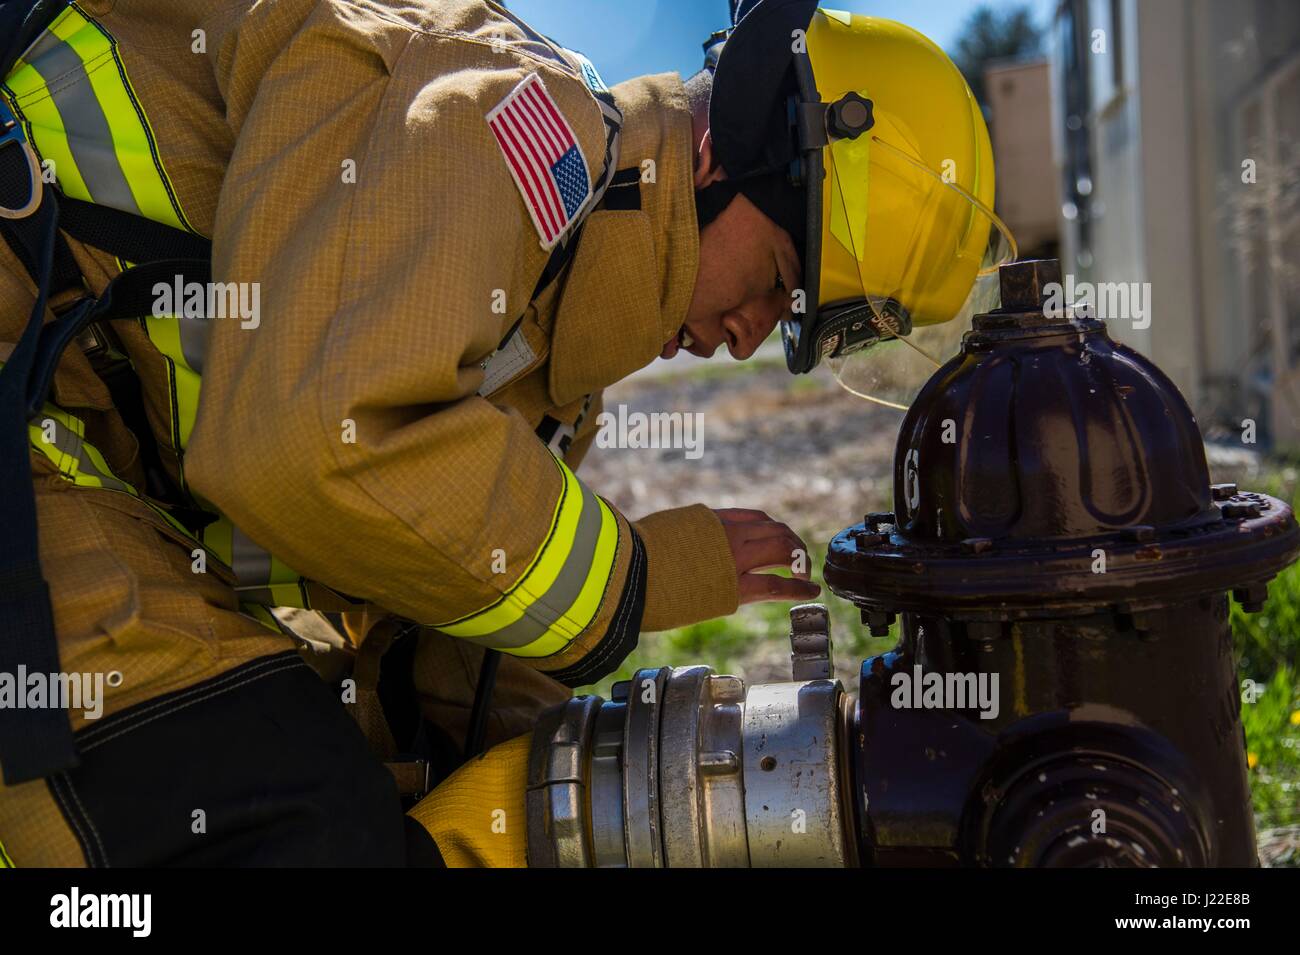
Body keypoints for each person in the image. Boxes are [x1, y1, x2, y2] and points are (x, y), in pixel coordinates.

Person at [0, 0, 1001, 866]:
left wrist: (557, 788)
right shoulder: (516, 119)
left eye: (792, 328)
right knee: (305, 831)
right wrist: (641, 576)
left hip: (76, 458)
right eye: (781, 277)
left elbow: (434, 628)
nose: (750, 331)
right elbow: (316, 446)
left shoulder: (551, 365)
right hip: (25, 443)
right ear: (720, 149)